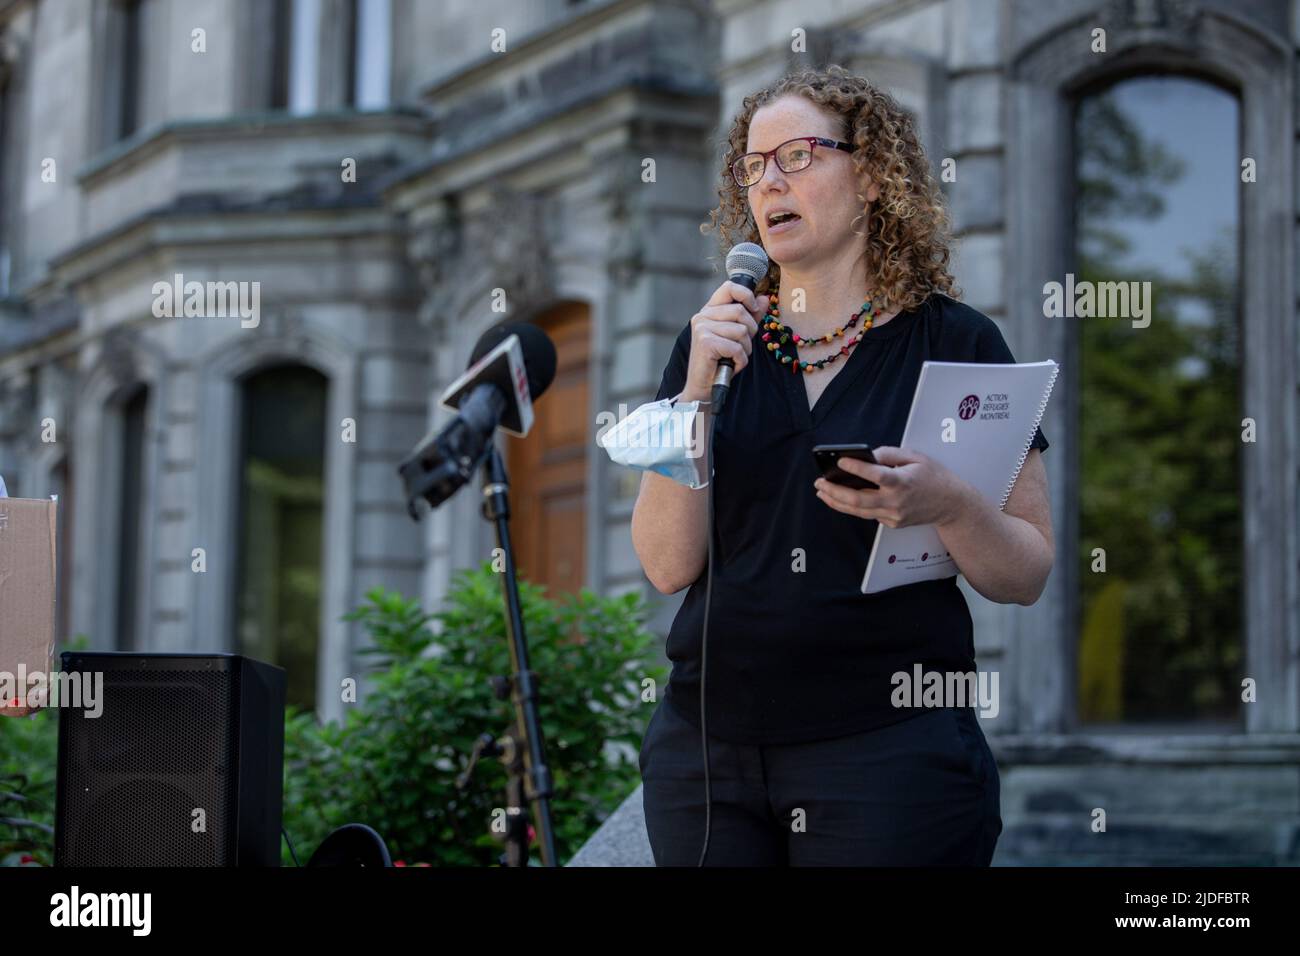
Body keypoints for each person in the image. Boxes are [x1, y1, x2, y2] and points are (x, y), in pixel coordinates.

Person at [630, 65, 1054, 866]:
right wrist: (691, 396)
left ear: (869, 175)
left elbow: (1026, 571)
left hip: (889, 755)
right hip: (706, 757)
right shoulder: (709, 345)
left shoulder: (956, 343)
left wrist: (951, 507)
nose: (768, 182)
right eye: (753, 167)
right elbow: (663, 561)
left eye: (797, 156)